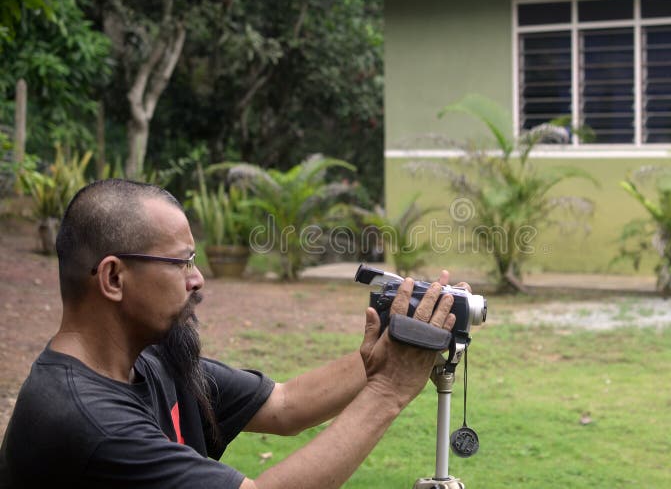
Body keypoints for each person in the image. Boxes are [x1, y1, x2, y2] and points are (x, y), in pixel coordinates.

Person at [0, 178, 464, 488]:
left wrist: (385, 354)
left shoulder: (150, 360)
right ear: (114, 278)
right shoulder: (86, 420)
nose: (197, 278)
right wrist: (386, 393)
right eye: (180, 262)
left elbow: (284, 405)